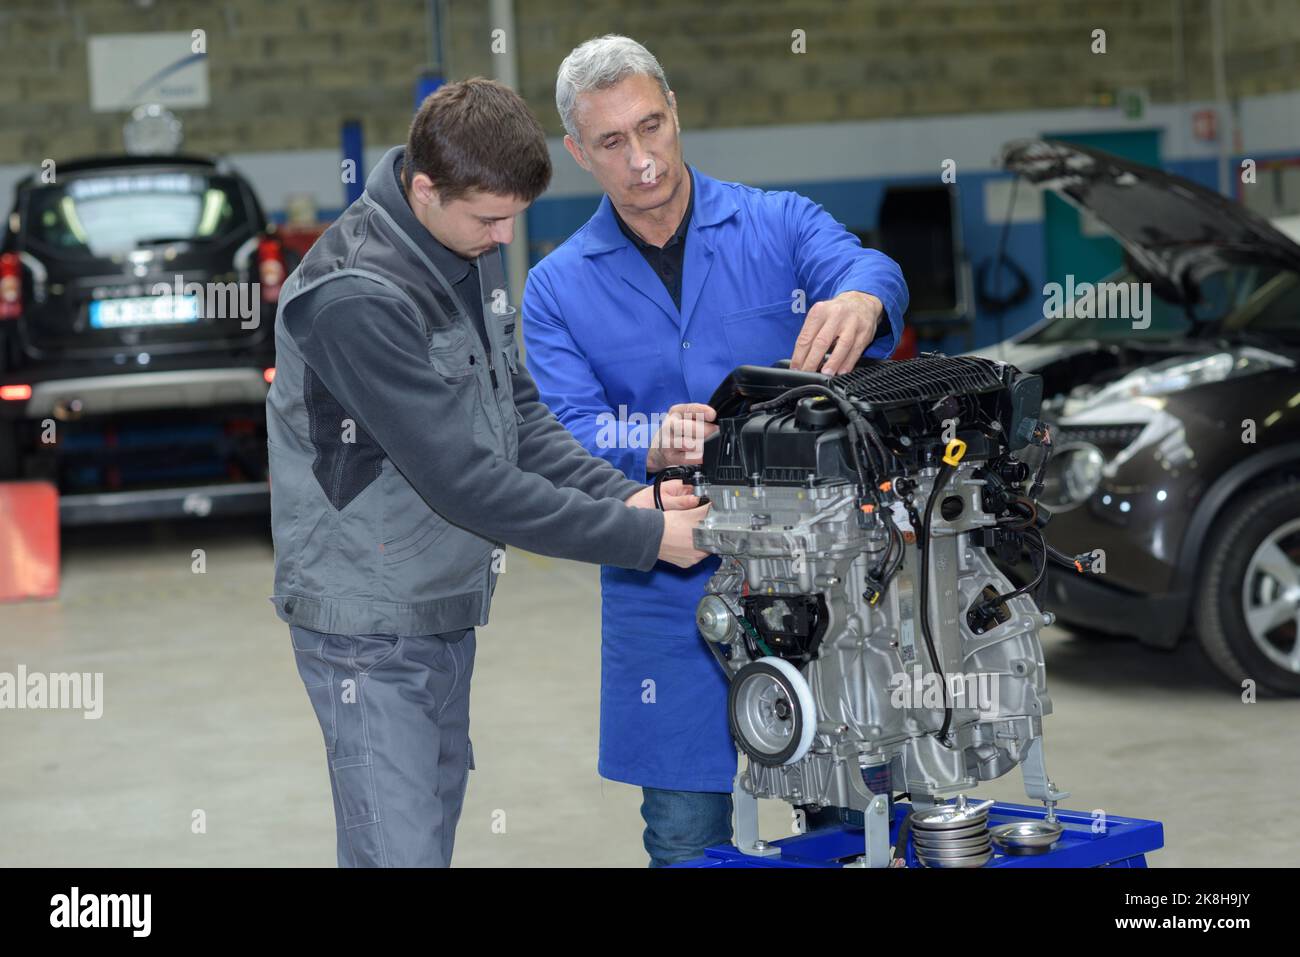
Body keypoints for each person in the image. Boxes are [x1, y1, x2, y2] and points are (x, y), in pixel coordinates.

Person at [266, 77, 709, 867]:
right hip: (368, 629)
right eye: (490, 218)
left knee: (422, 843)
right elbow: (464, 480)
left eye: (514, 216)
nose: (506, 238)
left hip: (437, 603)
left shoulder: (458, 245)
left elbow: (518, 417)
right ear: (425, 187)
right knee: (398, 853)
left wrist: (628, 493)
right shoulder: (354, 295)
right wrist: (643, 536)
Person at [522, 36, 908, 866]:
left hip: (817, 573)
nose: (643, 159)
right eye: (613, 143)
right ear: (579, 153)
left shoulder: (776, 224)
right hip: (666, 581)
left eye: (651, 127)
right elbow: (558, 431)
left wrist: (862, 299)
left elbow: (867, 265)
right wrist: (642, 442)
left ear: (676, 114)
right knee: (688, 836)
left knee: (855, 819)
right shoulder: (557, 286)